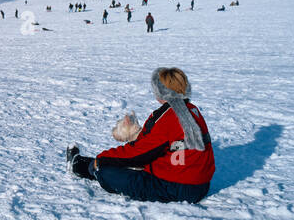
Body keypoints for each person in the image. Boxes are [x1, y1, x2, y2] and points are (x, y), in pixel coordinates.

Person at [66, 68, 214, 203]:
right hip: (201, 185)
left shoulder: (169, 117)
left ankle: (83, 167)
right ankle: (93, 163)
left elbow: (139, 153)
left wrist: (102, 158)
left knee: (107, 172)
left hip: (177, 187)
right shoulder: (192, 110)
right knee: (122, 163)